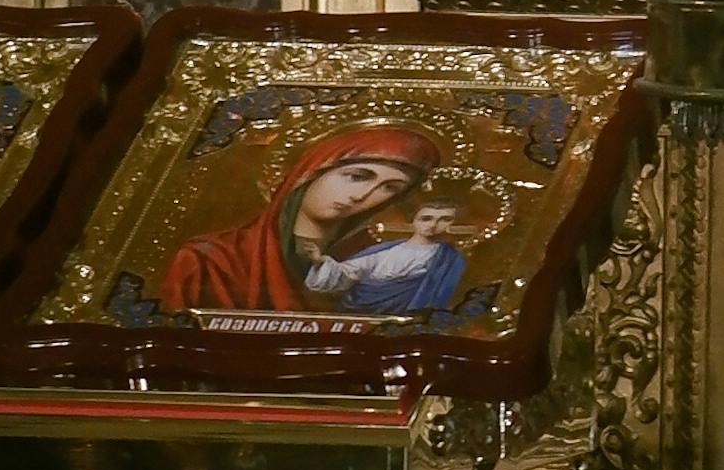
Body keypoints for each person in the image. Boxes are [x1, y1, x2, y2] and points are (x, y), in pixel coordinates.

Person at [154, 129, 482, 328]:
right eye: (357, 175)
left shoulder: (374, 257)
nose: (363, 196)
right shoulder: (210, 261)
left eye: (390, 188)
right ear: (311, 172)